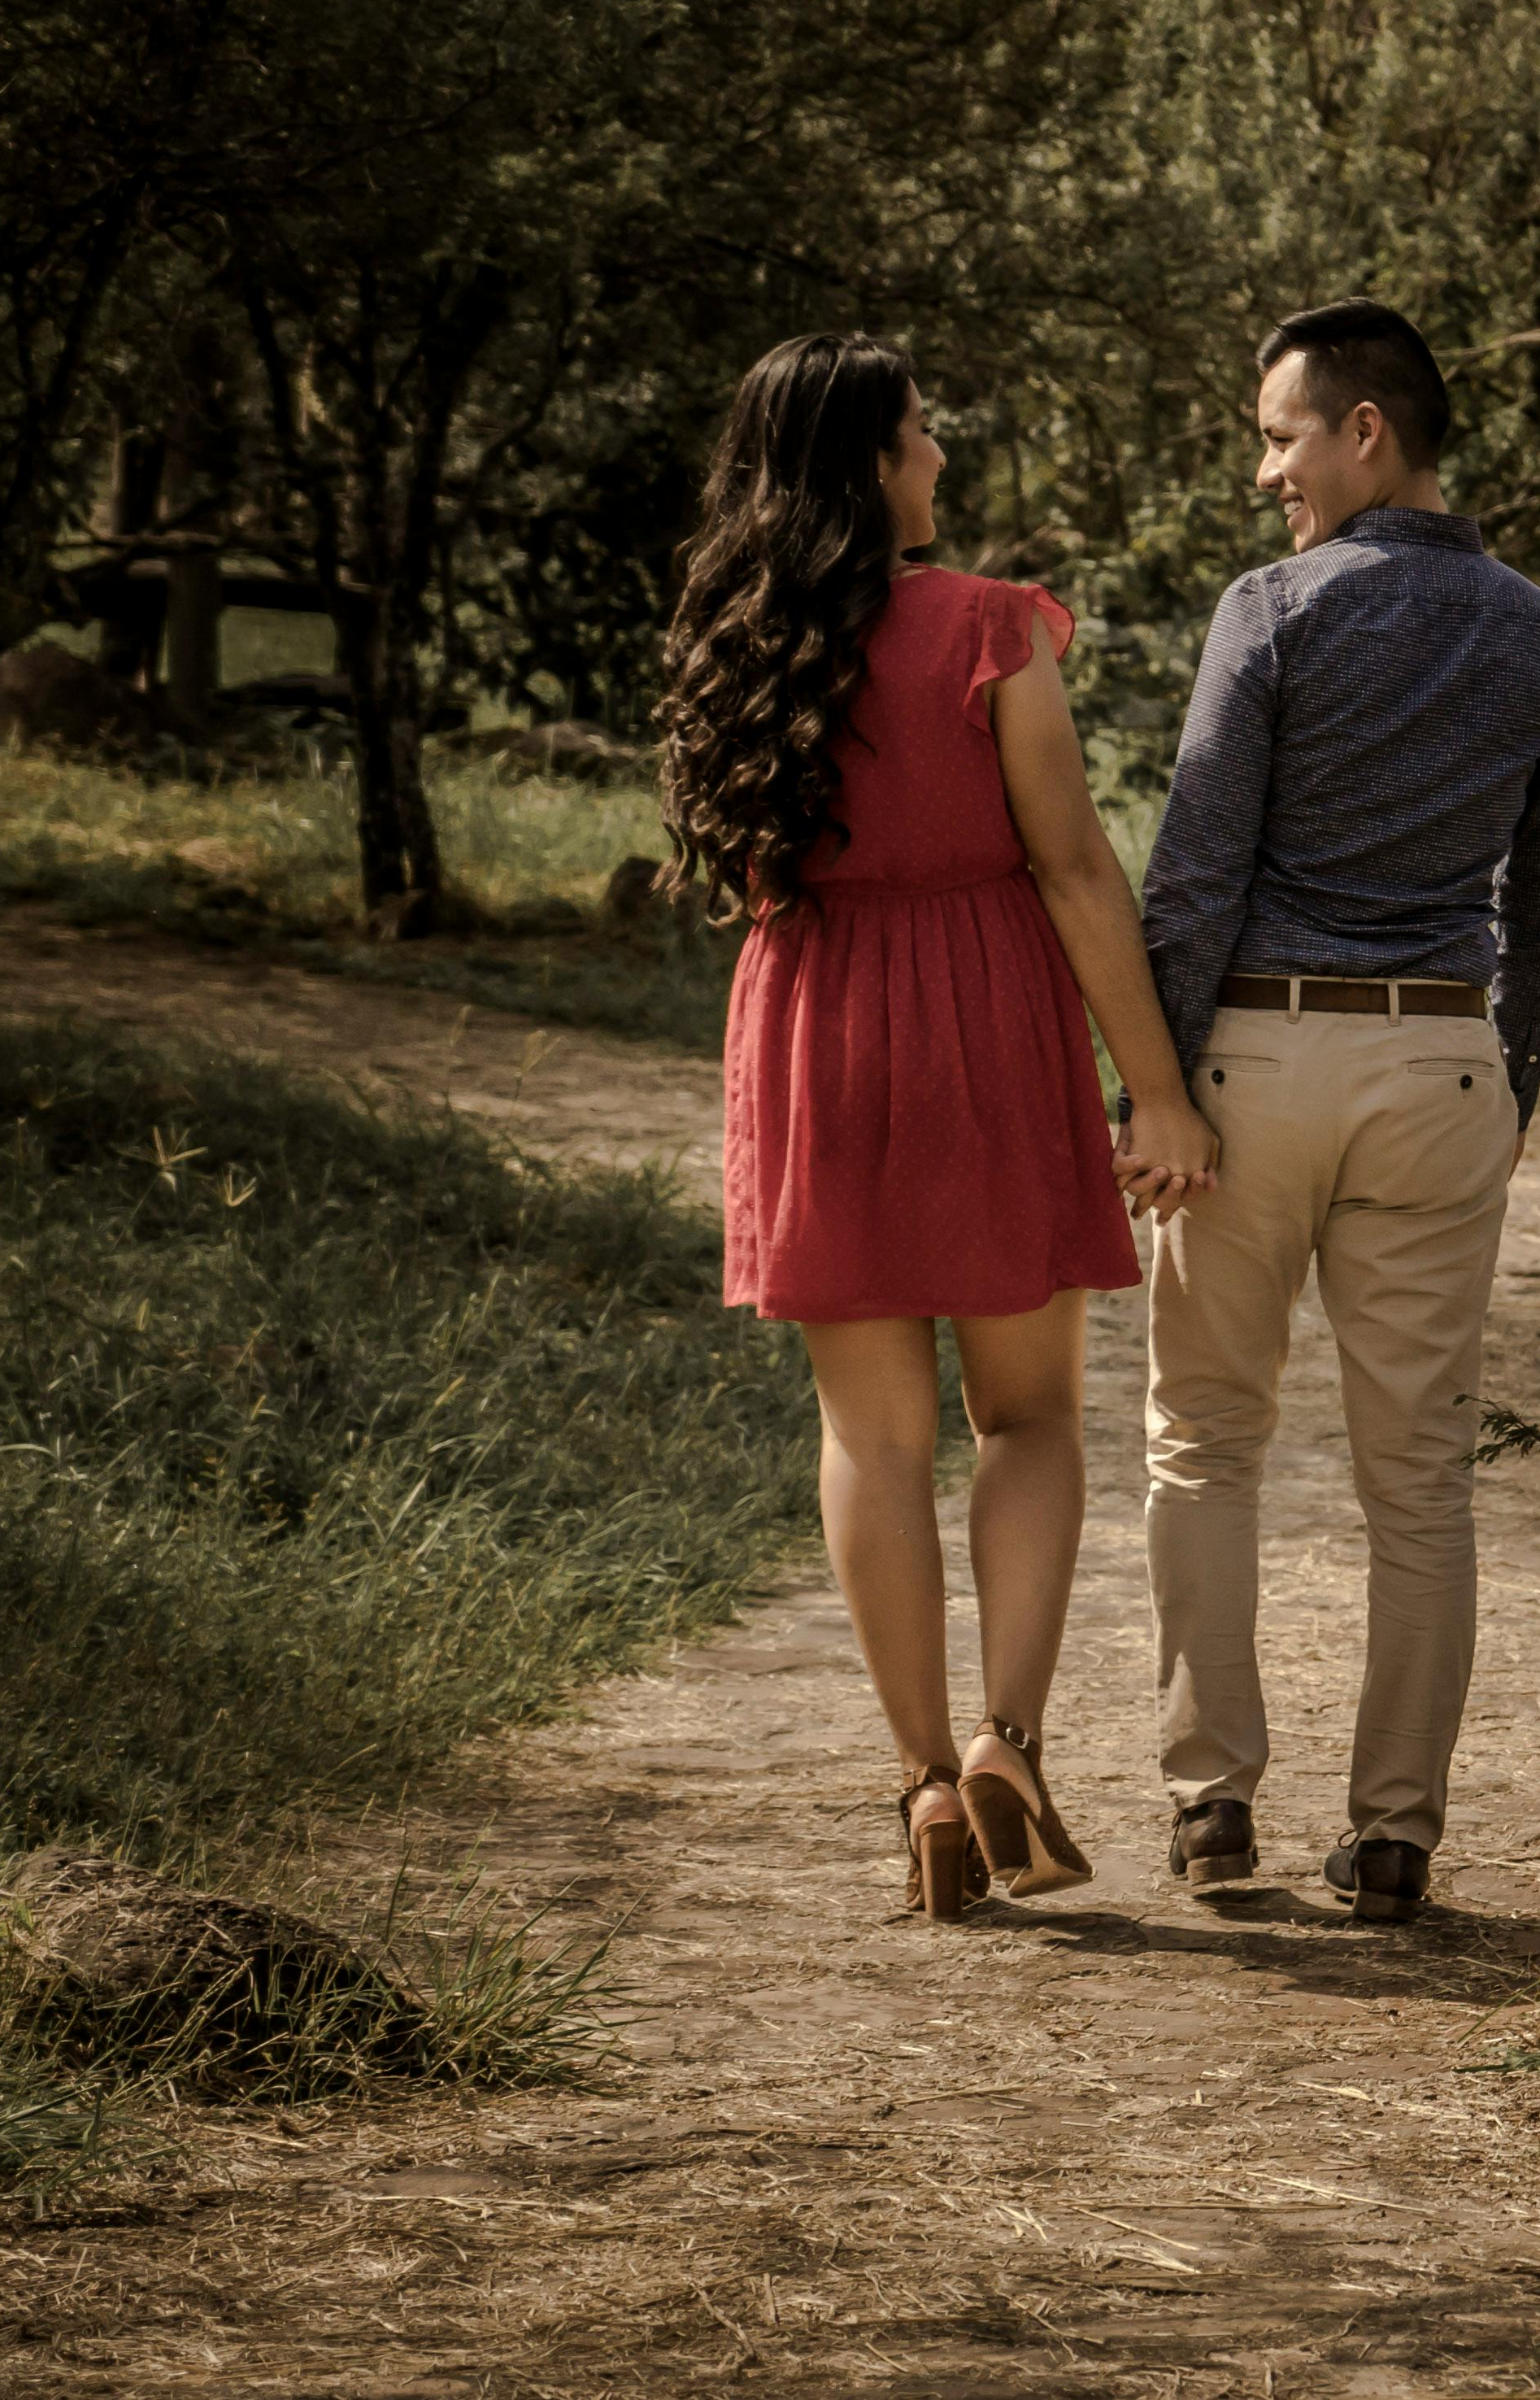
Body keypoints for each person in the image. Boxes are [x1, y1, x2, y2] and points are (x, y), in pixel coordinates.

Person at [656, 332, 1220, 1926]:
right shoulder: (986, 627)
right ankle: (1009, 1741)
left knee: (872, 1432)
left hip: (812, 1025)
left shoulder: (733, 640)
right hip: (979, 1012)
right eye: (921, 435)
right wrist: (1159, 1084)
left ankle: (919, 1781)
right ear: (871, 462)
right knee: (1027, 1418)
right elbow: (1072, 867)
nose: (941, 460)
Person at [1134, 297, 1540, 1926]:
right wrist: (1506, 1083)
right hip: (1438, 1064)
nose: (1270, 472)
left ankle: (1210, 1800)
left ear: (1364, 431)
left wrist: (1159, 1084)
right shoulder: (1538, 629)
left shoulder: (1270, 614)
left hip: (1255, 1062)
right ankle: (1395, 1831)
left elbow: (1194, 875)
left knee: (1206, 1438)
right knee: (1423, 1478)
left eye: (1280, 435)